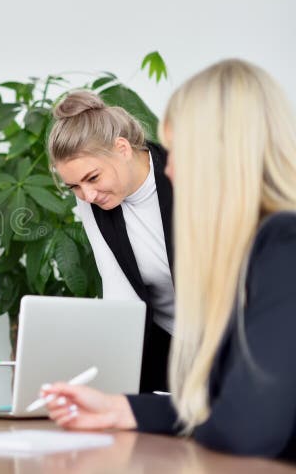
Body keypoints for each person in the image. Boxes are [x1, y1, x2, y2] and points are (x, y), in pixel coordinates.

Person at [41, 59, 296, 459]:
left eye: (176, 152)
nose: (168, 167)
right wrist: (122, 406)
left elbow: (246, 425)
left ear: (226, 154)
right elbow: (219, 407)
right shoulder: (271, 240)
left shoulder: (282, 243)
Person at [48, 91, 174, 393]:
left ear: (122, 149)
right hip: (167, 344)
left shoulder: (181, 174)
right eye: (74, 186)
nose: (88, 195)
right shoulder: (92, 202)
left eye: (93, 178)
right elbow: (120, 294)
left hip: (232, 338)